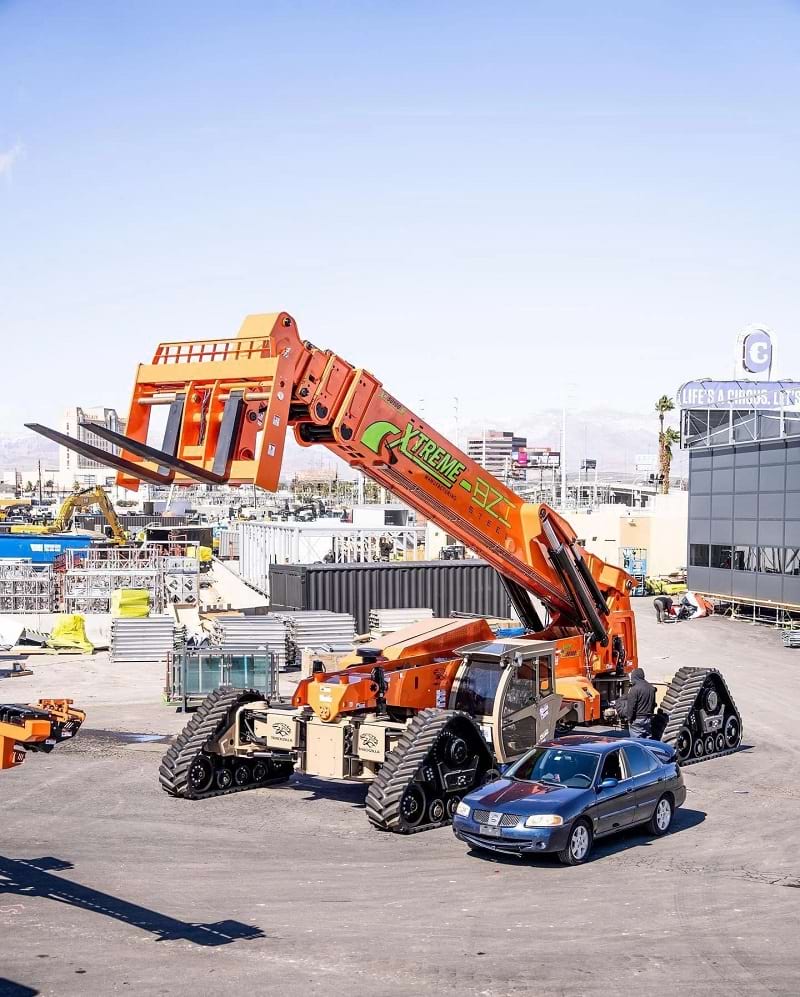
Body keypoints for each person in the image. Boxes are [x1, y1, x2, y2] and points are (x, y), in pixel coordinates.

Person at [622, 668, 656, 739]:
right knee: (647, 741)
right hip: (648, 719)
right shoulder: (651, 688)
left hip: (637, 720)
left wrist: (629, 718)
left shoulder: (634, 689)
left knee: (636, 742)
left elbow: (631, 706)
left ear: (635, 677)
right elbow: (653, 704)